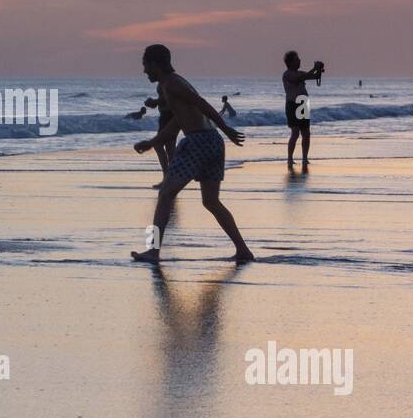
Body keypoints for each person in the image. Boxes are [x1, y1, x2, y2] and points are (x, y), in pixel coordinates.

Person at [130, 45, 253, 264]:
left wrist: (227, 128)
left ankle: (153, 251)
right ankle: (242, 249)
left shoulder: (172, 84)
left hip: (198, 142)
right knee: (211, 201)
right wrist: (152, 142)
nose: (144, 71)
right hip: (212, 141)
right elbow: (179, 121)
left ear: (155, 65)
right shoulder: (175, 83)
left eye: (145, 66)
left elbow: (201, 103)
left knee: (166, 194)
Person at [282, 50, 324, 167]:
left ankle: (305, 158)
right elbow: (299, 78)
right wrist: (314, 68)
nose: (299, 60)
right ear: (290, 63)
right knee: (295, 132)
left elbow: (313, 76)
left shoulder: (300, 73)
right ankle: (290, 158)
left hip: (303, 103)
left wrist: (318, 69)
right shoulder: (287, 74)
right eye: (297, 59)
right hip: (292, 104)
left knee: (306, 132)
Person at [145, 88, 180, 188]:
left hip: (168, 117)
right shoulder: (165, 83)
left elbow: (170, 99)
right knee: (169, 148)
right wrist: (155, 103)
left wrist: (154, 102)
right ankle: (171, 178)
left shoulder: (166, 83)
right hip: (167, 116)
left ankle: (169, 178)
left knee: (160, 145)